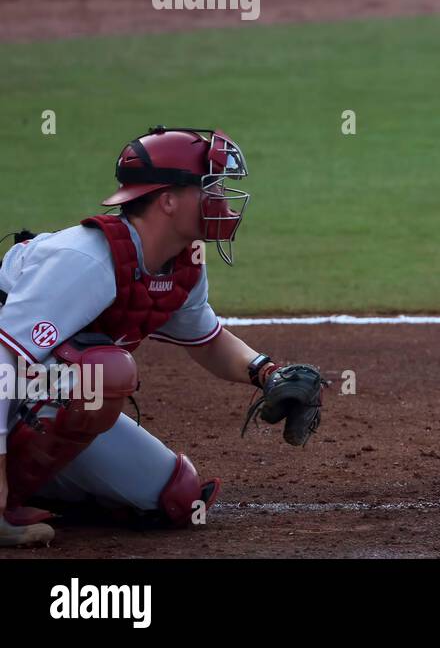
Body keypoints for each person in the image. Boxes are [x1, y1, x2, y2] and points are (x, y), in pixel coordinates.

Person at [0, 127, 323, 547]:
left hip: (29, 393)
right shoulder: (84, 260)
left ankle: (42, 488)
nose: (222, 199)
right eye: (210, 187)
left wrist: (267, 374)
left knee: (178, 497)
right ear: (168, 200)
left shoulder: (180, 263)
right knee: (99, 374)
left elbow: (207, 340)